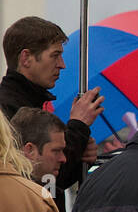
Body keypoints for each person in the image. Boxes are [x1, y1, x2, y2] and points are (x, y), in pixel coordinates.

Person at [1, 16, 101, 192]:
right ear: (26, 58)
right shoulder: (6, 109)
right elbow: (34, 180)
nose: (62, 65)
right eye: (55, 55)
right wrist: (78, 126)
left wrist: (80, 158)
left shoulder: (31, 102)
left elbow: (54, 183)